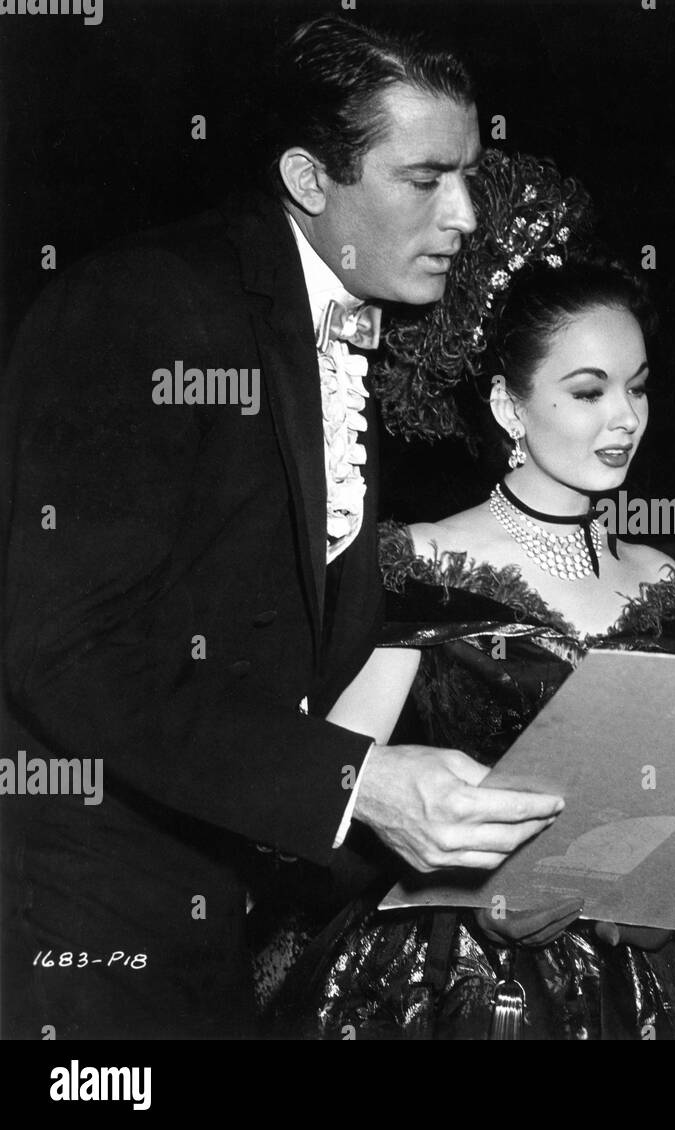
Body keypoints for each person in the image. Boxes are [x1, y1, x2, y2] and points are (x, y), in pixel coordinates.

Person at [0, 17, 561, 1041]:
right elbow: (64, 649)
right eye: (426, 178)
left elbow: (281, 668)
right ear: (309, 176)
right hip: (69, 927)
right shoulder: (148, 304)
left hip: (202, 914)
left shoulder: (327, 328)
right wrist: (355, 784)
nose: (467, 214)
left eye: (469, 176)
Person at [277, 250, 675, 1040]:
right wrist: (472, 880)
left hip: (651, 985)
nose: (626, 419)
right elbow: (332, 787)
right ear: (510, 408)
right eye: (588, 391)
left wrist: (662, 895)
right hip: (455, 986)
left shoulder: (668, 581)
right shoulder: (423, 563)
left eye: (637, 387)